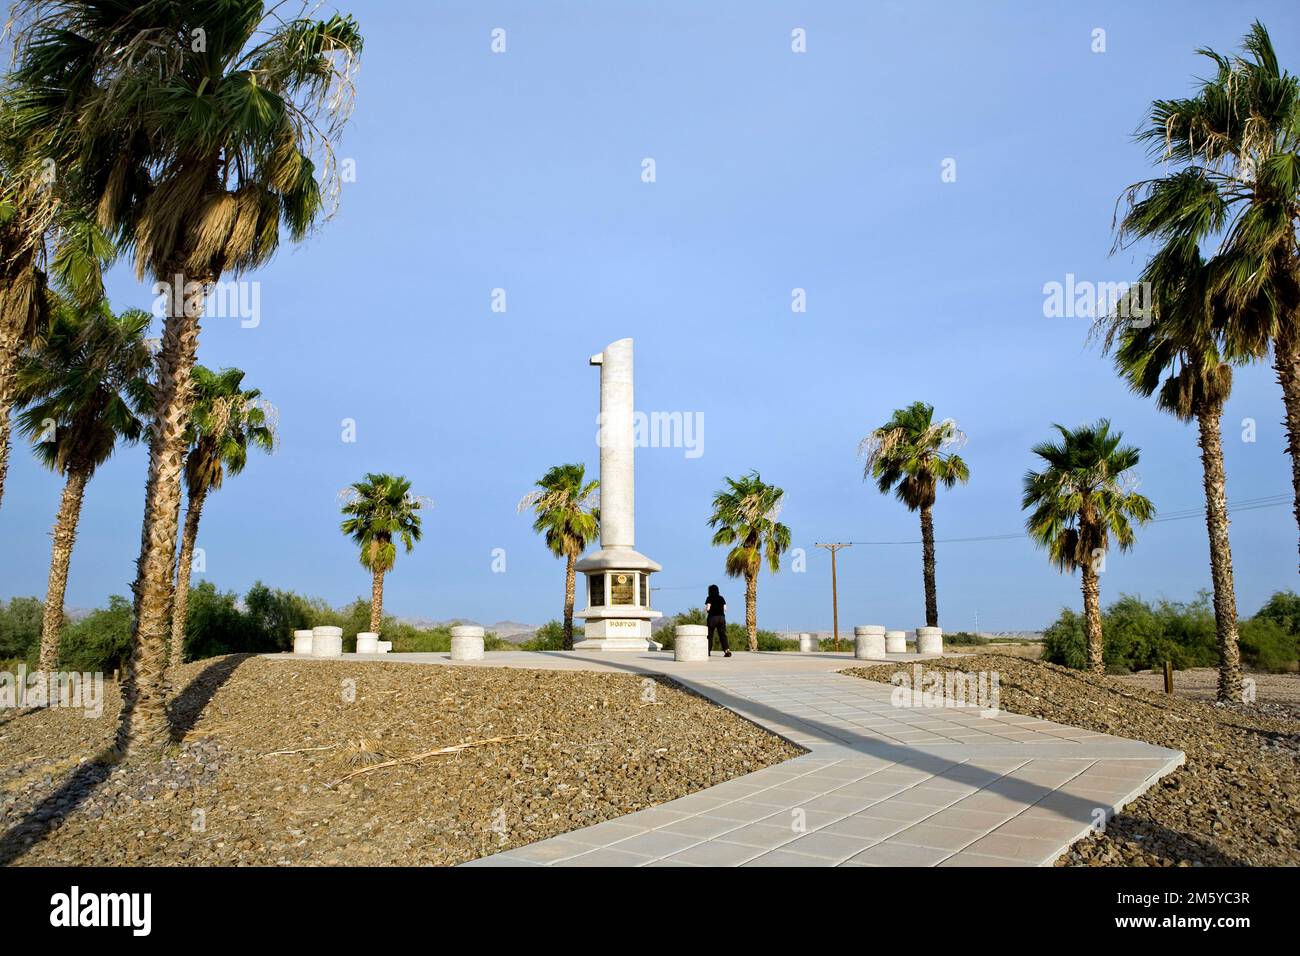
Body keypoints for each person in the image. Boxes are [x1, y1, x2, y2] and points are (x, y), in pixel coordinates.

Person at [704, 584, 731, 657]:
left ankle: (708, 651)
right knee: (723, 635)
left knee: (710, 635)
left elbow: (708, 608)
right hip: (721, 618)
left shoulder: (709, 598)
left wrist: (706, 610)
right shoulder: (721, 598)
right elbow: (725, 609)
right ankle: (727, 651)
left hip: (712, 618)